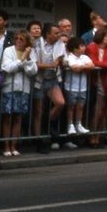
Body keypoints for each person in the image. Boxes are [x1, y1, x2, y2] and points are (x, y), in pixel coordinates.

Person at [0, 29, 37, 156]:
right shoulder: (8, 50)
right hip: (9, 88)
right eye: (16, 38)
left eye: (21, 39)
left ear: (27, 41)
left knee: (18, 118)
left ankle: (13, 146)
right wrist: (22, 60)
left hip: (23, 89)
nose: (18, 41)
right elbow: (8, 68)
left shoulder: (30, 52)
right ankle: (6, 146)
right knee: (8, 118)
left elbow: (33, 71)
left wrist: (27, 59)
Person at [33, 23, 67, 152]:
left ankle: (47, 125)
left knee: (60, 103)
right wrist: (51, 65)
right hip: (39, 80)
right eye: (56, 33)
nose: (59, 35)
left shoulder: (60, 44)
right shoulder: (36, 44)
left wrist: (63, 63)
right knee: (38, 111)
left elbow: (63, 60)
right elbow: (36, 64)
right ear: (47, 34)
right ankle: (38, 140)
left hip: (53, 79)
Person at [63, 36, 94, 142]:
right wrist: (83, 67)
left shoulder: (85, 57)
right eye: (81, 46)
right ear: (74, 48)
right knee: (71, 106)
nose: (84, 48)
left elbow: (92, 65)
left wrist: (81, 67)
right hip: (71, 87)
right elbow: (74, 68)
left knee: (80, 106)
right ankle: (70, 124)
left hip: (82, 87)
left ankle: (78, 124)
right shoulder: (69, 57)